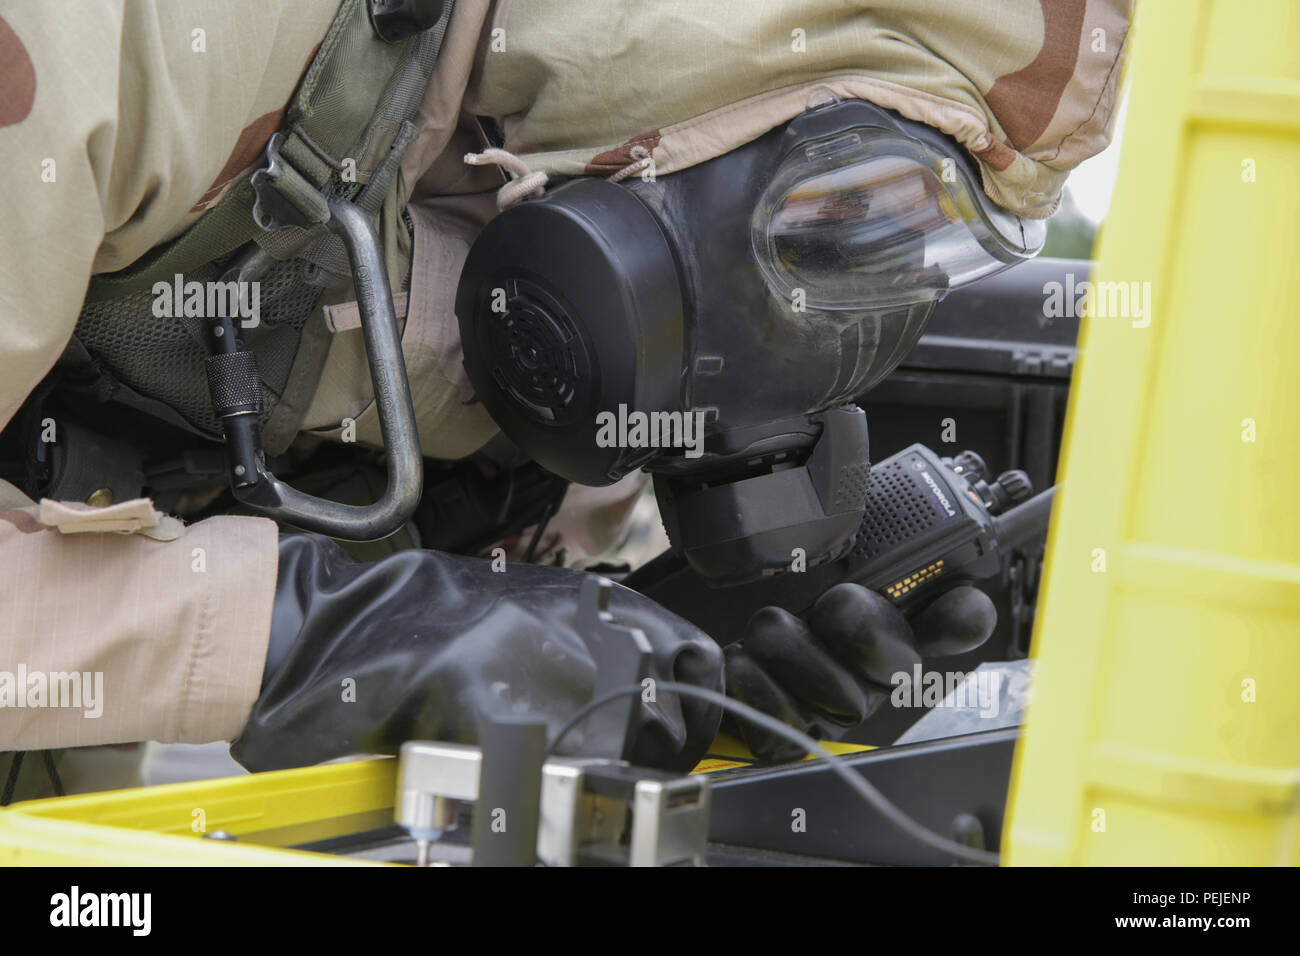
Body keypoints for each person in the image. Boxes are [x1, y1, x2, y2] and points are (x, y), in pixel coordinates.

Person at [0, 0, 1128, 793]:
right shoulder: (142, 30)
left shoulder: (574, 199)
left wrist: (671, 666)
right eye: (842, 215)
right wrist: (300, 634)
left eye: (919, 248)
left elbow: (423, 723)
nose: (840, 315)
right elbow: (312, 655)